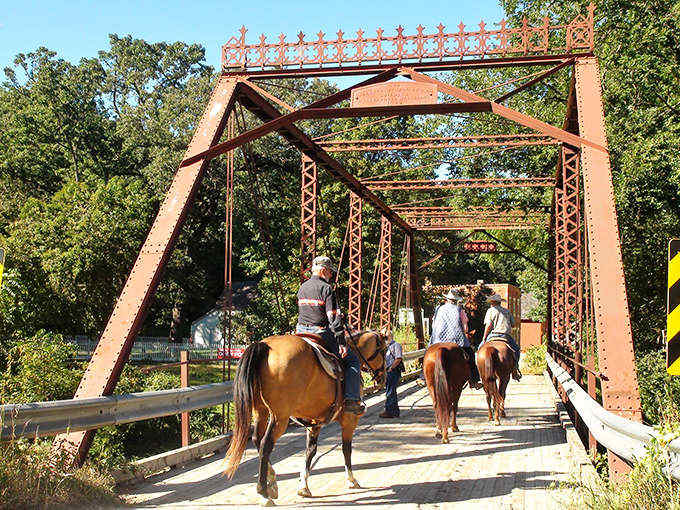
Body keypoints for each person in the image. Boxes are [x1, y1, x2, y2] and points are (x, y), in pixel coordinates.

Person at [296, 255, 365, 415]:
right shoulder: (326, 289)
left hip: (301, 332)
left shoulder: (303, 287)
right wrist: (341, 343)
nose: (331, 275)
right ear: (324, 270)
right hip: (319, 333)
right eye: (330, 272)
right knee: (352, 360)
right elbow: (333, 319)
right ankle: (352, 399)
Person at [429, 290, 482, 389]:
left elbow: (433, 324)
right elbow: (465, 327)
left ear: (447, 299)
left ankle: (423, 377)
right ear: (455, 300)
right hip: (456, 339)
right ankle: (474, 381)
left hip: (438, 338)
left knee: (428, 353)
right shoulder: (459, 310)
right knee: (470, 355)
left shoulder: (438, 309)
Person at [481, 293, 522, 380]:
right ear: (499, 302)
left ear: (493, 302)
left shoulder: (490, 311)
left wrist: (484, 337)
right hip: (505, 336)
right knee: (516, 349)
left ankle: (479, 372)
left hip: (493, 335)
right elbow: (513, 324)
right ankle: (515, 370)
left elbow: (488, 325)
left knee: (479, 349)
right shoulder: (507, 311)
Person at [380, 335, 403, 418]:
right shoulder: (385, 346)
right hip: (388, 370)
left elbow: (398, 358)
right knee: (391, 390)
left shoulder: (396, 345)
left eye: (385, 337)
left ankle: (389, 411)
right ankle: (395, 411)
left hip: (393, 371)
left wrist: (391, 368)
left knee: (390, 390)